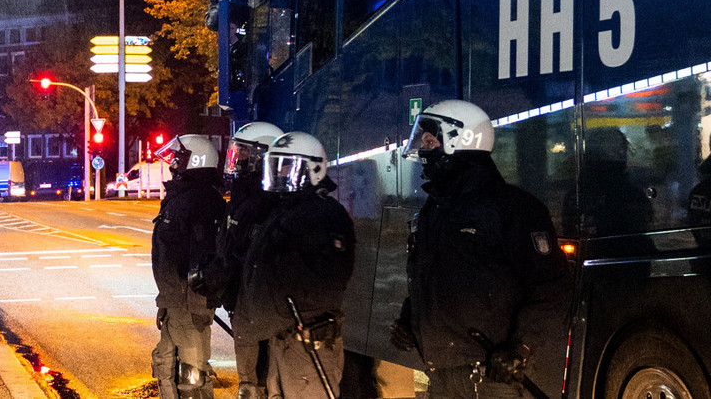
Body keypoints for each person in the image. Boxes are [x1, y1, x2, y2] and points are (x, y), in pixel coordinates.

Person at [391, 100, 571, 399]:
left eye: (430, 139)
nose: (424, 148)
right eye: (422, 140)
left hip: (492, 380)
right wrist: (411, 319)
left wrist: (520, 347)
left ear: (462, 139)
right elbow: (431, 276)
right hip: (441, 376)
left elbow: (552, 285)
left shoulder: (512, 207)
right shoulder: (434, 210)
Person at [233, 132, 355, 399]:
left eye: (287, 165)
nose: (281, 173)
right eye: (276, 166)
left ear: (312, 168)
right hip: (283, 336)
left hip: (309, 340)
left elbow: (328, 279)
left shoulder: (324, 215)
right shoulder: (285, 210)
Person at [191, 121, 282, 399]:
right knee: (250, 382)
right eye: (237, 152)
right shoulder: (243, 198)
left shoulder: (267, 202)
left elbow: (245, 255)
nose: (237, 159)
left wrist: (214, 276)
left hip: (260, 305)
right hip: (242, 302)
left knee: (263, 382)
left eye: (245, 153)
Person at [151, 134, 226, 399]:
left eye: (177, 159)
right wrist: (166, 301)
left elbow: (206, 259)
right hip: (175, 302)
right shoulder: (182, 197)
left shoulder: (203, 200)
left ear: (194, 161)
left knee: (192, 375)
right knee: (166, 364)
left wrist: (194, 302)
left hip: (189, 303)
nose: (172, 164)